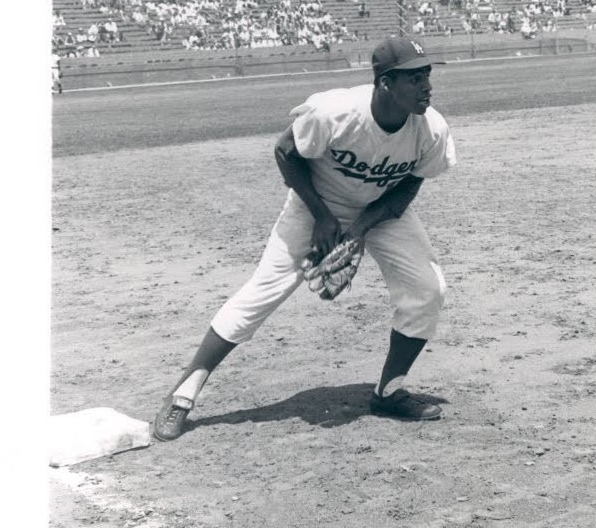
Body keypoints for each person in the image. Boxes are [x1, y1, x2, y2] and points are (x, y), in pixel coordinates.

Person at [153, 37, 457, 441]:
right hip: (314, 203)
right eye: (414, 78)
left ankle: (389, 391)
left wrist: (361, 228)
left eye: (427, 75)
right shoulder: (335, 113)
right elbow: (285, 152)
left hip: (380, 211)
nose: (426, 86)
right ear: (384, 83)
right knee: (263, 291)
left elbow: (411, 181)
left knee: (428, 289)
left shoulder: (430, 128)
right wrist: (322, 216)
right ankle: (184, 391)